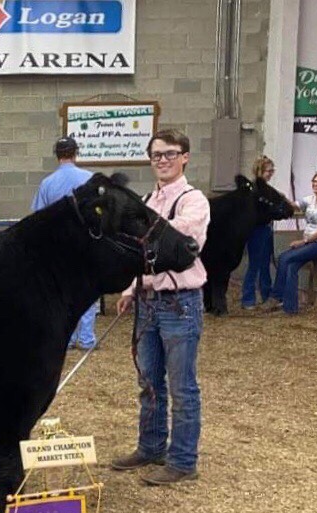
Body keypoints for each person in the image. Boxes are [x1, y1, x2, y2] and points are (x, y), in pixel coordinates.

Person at [112, 129, 210, 486]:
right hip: (148, 303)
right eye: (156, 155)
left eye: (170, 153)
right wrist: (130, 287)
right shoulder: (146, 199)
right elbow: (138, 253)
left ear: (185, 156)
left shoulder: (193, 200)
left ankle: (183, 460)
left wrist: (137, 233)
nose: (163, 160)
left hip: (180, 304)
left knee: (183, 387)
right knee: (149, 382)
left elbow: (180, 241)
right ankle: (151, 447)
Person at [31, 135, 97, 349]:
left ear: (57, 155)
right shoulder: (89, 179)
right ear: (75, 153)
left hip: (58, 247)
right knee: (88, 290)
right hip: (87, 244)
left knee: (62, 294)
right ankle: (86, 338)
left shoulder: (47, 183)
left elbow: (38, 216)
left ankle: (66, 339)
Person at [268, 171, 317, 314]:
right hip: (310, 241)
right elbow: (294, 205)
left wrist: (303, 241)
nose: (316, 184)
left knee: (284, 257)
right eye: (314, 181)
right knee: (291, 266)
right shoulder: (310, 199)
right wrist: (278, 195)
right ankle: (290, 308)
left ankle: (276, 296)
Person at [240, 156, 279, 309]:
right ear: (260, 171)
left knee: (264, 263)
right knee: (255, 264)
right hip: (257, 229)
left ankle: (265, 295)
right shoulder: (255, 190)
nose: (271, 173)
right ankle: (248, 298)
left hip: (264, 228)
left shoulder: (265, 189)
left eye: (272, 171)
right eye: (269, 171)